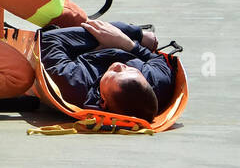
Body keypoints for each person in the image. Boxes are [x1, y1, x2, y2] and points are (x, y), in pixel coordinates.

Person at [38, 20, 173, 123]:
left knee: (101, 28)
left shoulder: (74, 83)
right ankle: (134, 35)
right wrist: (126, 44)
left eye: (115, 73)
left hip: (75, 51)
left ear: (103, 101)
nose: (120, 65)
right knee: (144, 39)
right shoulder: (158, 81)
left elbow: (48, 40)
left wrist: (96, 43)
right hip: (123, 45)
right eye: (130, 69)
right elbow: (156, 59)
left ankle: (135, 33)